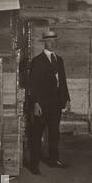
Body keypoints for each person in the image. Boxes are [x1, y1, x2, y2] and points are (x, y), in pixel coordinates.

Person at [25, 28, 71, 172]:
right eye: (48, 41)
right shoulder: (37, 61)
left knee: (54, 133)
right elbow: (33, 84)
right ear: (44, 43)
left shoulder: (59, 60)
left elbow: (63, 82)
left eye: (54, 41)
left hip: (56, 104)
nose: (51, 43)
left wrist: (67, 99)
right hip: (42, 104)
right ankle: (34, 165)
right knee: (37, 133)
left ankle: (53, 160)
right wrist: (36, 103)